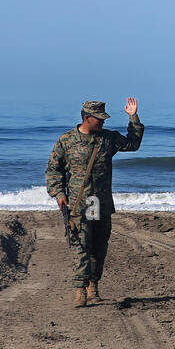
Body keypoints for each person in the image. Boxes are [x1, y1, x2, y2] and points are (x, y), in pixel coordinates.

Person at [45, 98, 143, 307]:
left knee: (99, 247)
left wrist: (133, 116)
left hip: (99, 202)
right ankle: (80, 290)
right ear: (87, 118)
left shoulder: (107, 139)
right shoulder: (67, 140)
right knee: (81, 246)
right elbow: (54, 170)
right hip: (79, 203)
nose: (103, 123)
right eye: (99, 119)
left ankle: (93, 286)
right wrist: (59, 194)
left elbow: (133, 144)